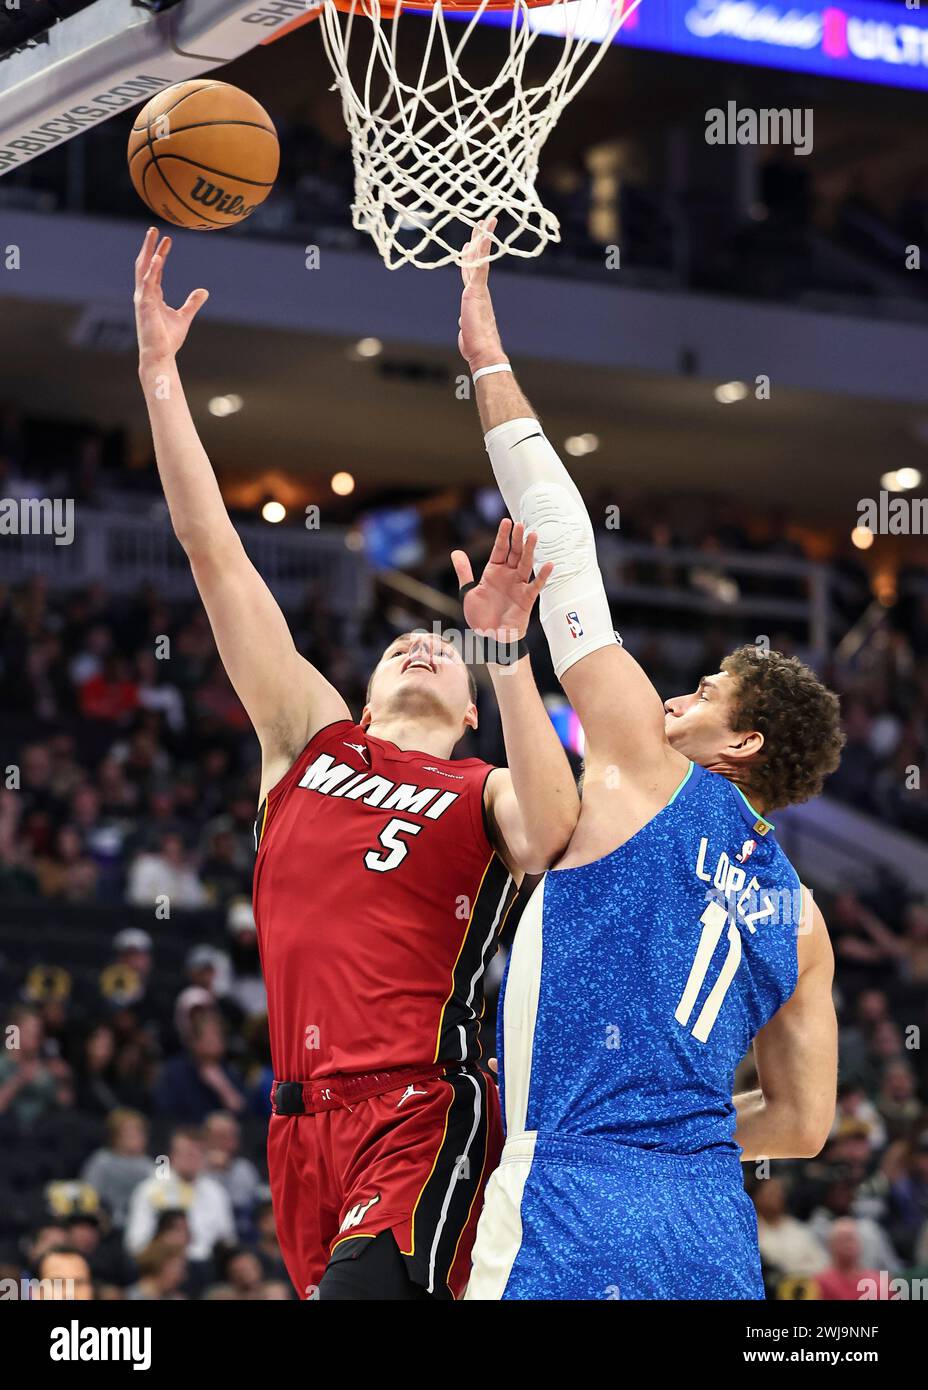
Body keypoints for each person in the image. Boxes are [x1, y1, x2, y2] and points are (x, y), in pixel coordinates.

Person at [133, 228, 579, 1301]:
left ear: (468, 709)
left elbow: (550, 827)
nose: (419, 643)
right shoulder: (310, 739)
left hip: (421, 1107)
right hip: (295, 1125)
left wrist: (506, 653)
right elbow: (214, 554)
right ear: (365, 696)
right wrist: (158, 375)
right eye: (398, 643)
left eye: (441, 648)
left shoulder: (484, 789)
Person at [457, 219, 843, 1301]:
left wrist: (485, 354)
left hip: (572, 1200)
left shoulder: (641, 766)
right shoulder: (804, 919)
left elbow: (558, 532)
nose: (676, 697)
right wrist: (679, 1135)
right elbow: (804, 1124)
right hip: (710, 1230)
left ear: (742, 744)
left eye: (706, 692)